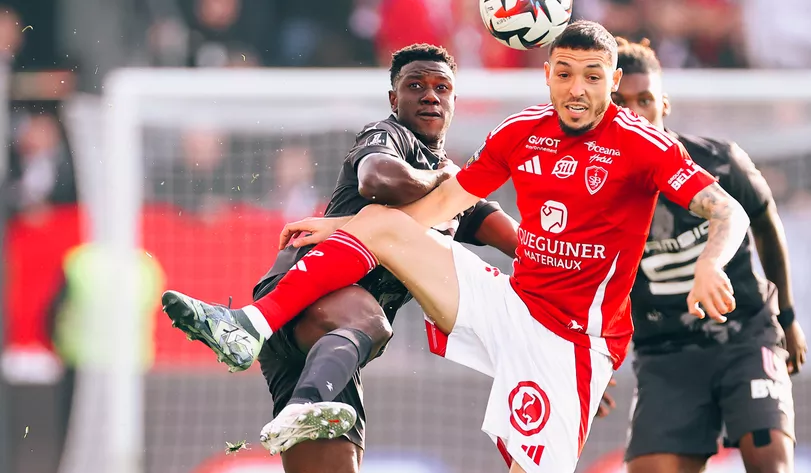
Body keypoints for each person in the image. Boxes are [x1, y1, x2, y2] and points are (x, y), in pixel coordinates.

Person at [162, 21, 751, 473]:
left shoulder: (643, 146)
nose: (577, 89)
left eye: (593, 76)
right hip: (513, 305)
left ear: (613, 82)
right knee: (385, 223)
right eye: (565, 73)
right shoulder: (519, 133)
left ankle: (300, 381)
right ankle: (250, 325)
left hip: (571, 341)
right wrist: (343, 228)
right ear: (547, 73)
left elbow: (728, 209)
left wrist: (709, 264)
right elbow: (433, 210)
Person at [176, 43, 520, 473]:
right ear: (394, 100)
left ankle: (290, 383)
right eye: (416, 86)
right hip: (315, 300)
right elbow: (378, 180)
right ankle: (297, 388)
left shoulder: (461, 198)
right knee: (374, 321)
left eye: (441, 87)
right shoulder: (388, 135)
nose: (430, 95)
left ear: (454, 101)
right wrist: (445, 180)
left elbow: (525, 247)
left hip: (334, 350)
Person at [609, 38, 808, 473]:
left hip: (742, 334)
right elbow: (591, 279)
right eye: (620, 102)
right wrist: (592, 360)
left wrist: (787, 318)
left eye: (644, 100)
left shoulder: (718, 162)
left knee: (771, 463)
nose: (634, 112)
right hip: (664, 352)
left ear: (663, 104)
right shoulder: (593, 188)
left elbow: (766, 223)